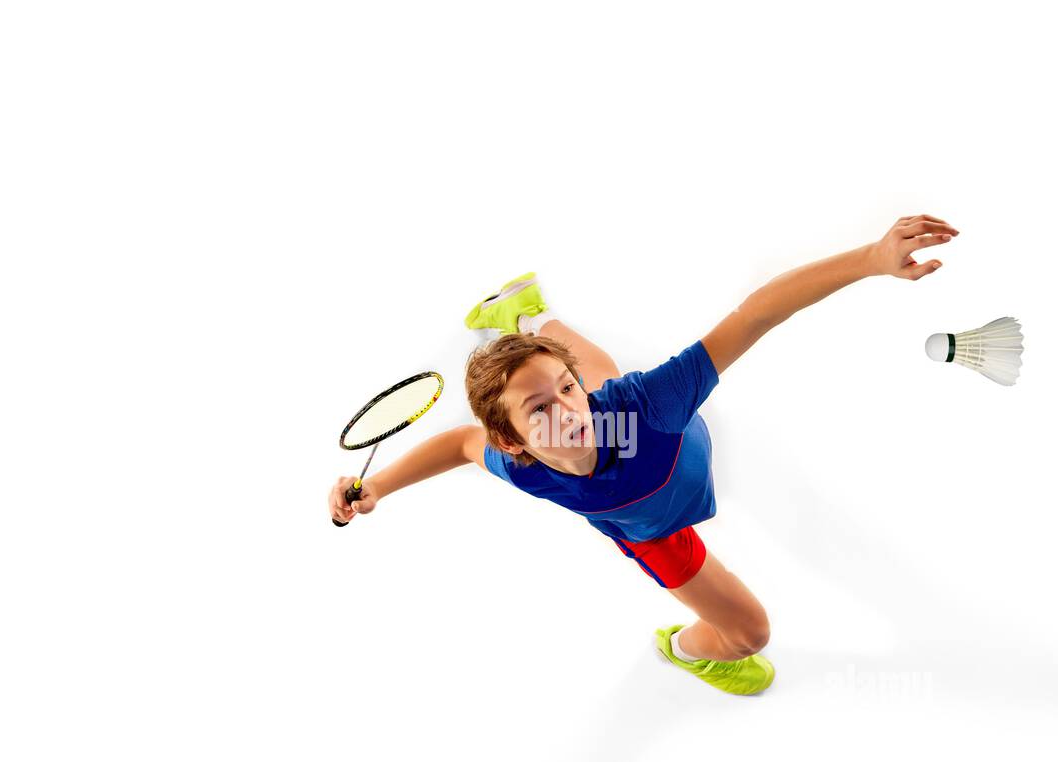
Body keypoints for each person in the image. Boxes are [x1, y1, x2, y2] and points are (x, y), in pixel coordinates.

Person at [328, 214, 959, 694]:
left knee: (602, 382)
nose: (568, 412)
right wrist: (378, 487)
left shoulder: (639, 408)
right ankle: (681, 651)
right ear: (512, 441)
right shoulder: (519, 466)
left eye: (563, 392)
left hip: (653, 435)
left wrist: (870, 258)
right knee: (748, 636)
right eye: (539, 410)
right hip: (649, 525)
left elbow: (754, 316)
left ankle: (529, 316)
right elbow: (459, 444)